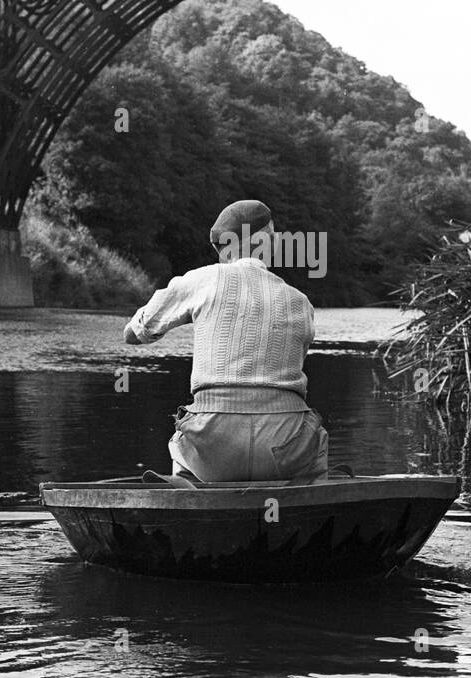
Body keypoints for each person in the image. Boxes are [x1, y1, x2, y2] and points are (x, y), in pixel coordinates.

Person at [123, 199, 328, 483]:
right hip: (285, 444)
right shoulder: (300, 301)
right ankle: (311, 501)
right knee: (314, 450)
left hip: (212, 444)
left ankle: (186, 501)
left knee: (184, 455)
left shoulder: (201, 281)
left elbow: (134, 333)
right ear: (267, 240)